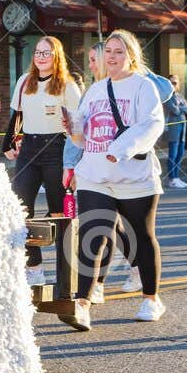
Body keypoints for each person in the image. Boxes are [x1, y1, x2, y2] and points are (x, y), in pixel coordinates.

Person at [65, 30, 167, 329]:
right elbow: (82, 137)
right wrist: (71, 127)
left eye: (119, 51)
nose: (112, 56)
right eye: (108, 51)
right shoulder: (96, 90)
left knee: (142, 238)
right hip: (94, 175)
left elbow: (152, 125)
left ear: (132, 56)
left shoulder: (143, 86)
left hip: (133, 176)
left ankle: (151, 298)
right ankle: (82, 304)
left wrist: (120, 150)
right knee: (91, 236)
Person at [0, 36, 82, 286]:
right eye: (37, 52)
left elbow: (78, 126)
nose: (41, 57)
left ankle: (66, 273)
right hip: (30, 148)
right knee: (20, 208)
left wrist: (76, 162)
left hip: (57, 148)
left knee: (60, 212)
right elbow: (17, 115)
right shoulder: (25, 82)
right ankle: (34, 267)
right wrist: (8, 142)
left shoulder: (68, 85)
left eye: (46, 53)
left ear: (56, 56)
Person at [163, 74, 187, 188]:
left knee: (180, 154)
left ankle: (176, 176)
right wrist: (181, 108)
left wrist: (181, 108)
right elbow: (173, 110)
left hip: (182, 127)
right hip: (173, 128)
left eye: (175, 83)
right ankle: (171, 178)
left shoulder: (180, 96)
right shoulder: (167, 97)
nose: (173, 85)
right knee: (173, 154)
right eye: (171, 82)